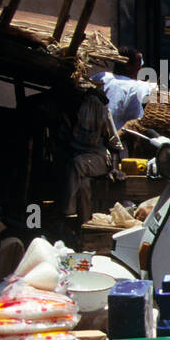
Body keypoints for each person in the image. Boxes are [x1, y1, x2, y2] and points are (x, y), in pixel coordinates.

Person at [57, 82, 124, 234]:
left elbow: (114, 145)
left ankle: (67, 213)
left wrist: (114, 168)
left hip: (98, 157)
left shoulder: (98, 109)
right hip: (77, 160)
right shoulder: (65, 113)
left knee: (77, 164)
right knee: (83, 185)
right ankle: (85, 228)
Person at [93, 48, 153, 131]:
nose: (140, 70)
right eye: (138, 66)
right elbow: (136, 120)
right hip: (113, 137)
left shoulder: (100, 76)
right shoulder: (135, 87)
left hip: (87, 133)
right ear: (128, 66)